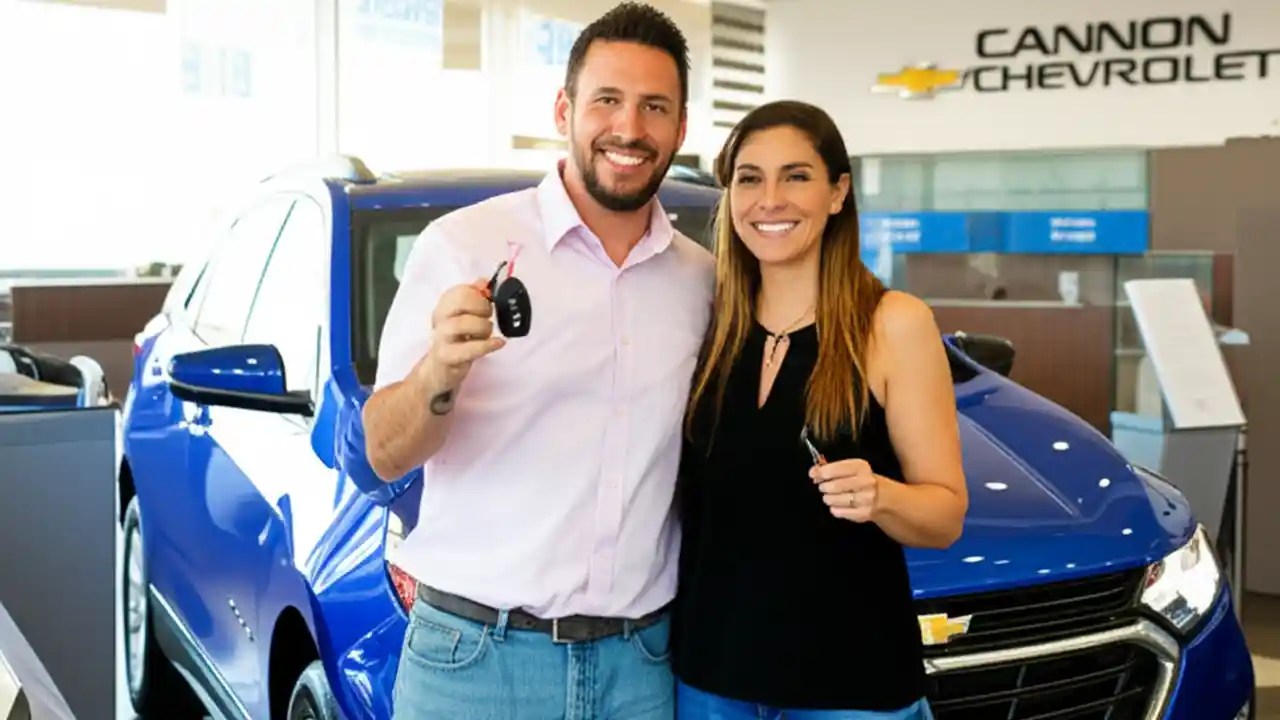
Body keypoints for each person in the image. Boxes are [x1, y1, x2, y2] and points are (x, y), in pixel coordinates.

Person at [361, 3, 714, 718]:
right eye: (607, 100)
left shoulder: (702, 280)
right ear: (565, 109)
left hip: (639, 669)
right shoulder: (462, 245)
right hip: (474, 665)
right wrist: (438, 375)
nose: (630, 128)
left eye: (655, 107)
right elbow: (385, 452)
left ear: (680, 126)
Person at [670, 100, 969, 719]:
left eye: (796, 176)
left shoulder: (893, 324)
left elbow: (944, 517)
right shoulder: (704, 321)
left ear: (838, 193)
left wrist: (881, 495)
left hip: (850, 689)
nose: (770, 199)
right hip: (708, 682)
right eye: (749, 178)